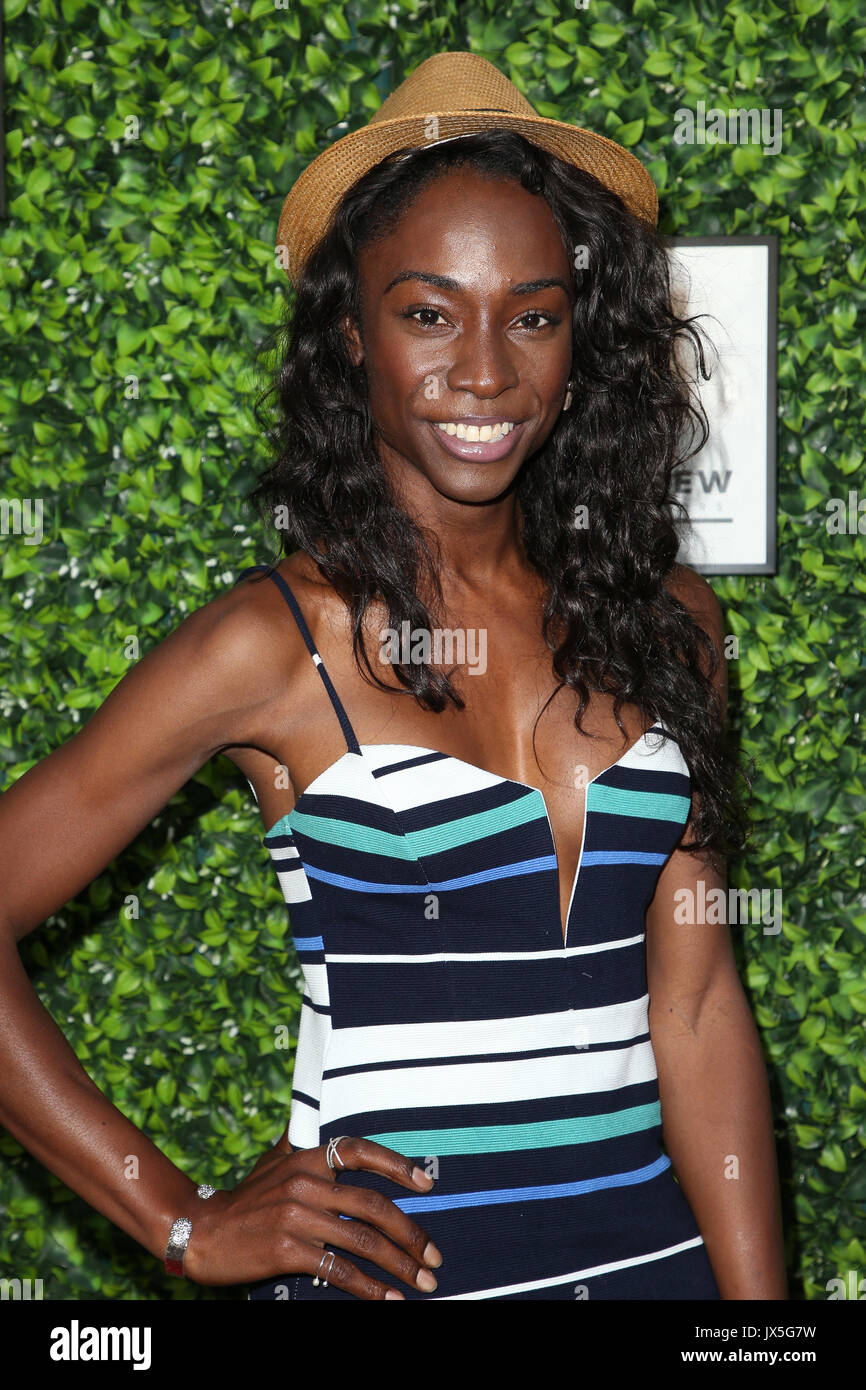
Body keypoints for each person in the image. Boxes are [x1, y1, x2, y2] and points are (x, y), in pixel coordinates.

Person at [0, 51, 786, 1301]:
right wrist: (183, 1223)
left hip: (654, 1273)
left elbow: (692, 1009)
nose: (484, 371)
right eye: (428, 312)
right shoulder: (272, 646)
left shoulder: (668, 620)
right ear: (349, 335)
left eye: (531, 313)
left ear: (582, 337)